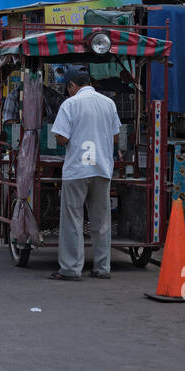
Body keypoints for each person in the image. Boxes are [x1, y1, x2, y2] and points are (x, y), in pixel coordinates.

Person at [50, 69, 121, 281]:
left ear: (72, 86)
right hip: (101, 168)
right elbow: (116, 137)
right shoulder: (108, 103)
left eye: (68, 88)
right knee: (101, 221)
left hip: (77, 169)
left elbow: (61, 138)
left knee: (73, 220)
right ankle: (102, 267)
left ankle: (71, 269)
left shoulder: (70, 104)